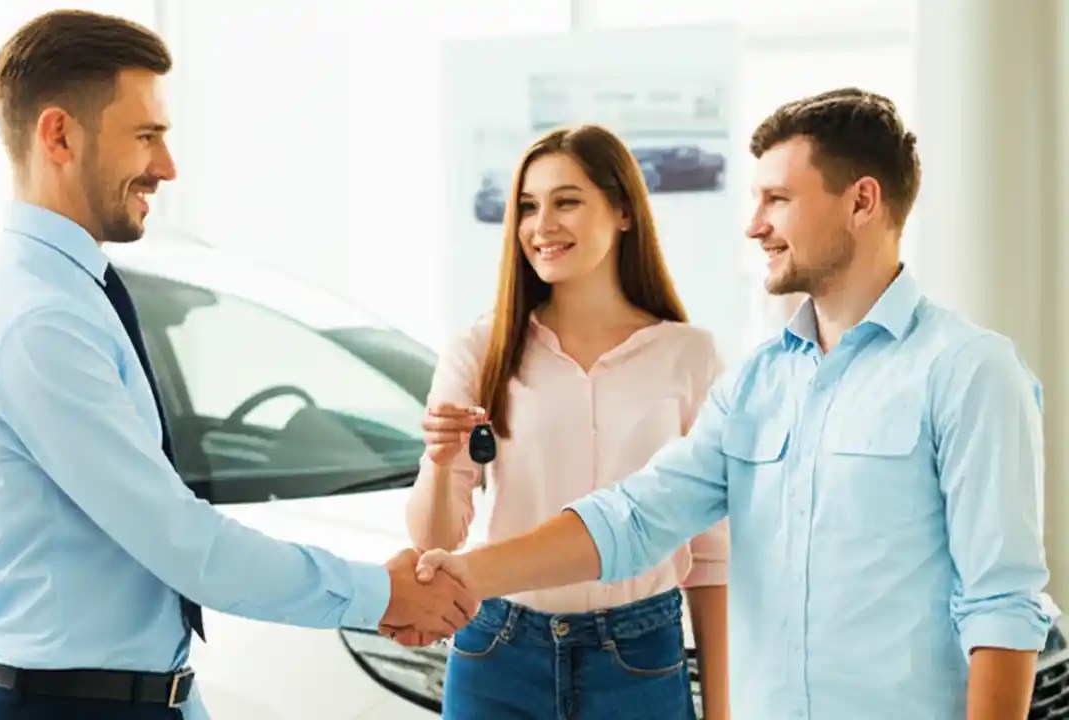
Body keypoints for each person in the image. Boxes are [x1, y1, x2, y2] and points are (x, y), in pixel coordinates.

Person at [412, 88, 1055, 719]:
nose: (755, 225)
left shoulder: (969, 371)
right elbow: (633, 519)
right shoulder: (755, 384)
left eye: (777, 199)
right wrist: (466, 575)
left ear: (862, 201)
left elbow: (1000, 601)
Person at [0, 11, 474, 720]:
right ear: (59, 135)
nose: (166, 167)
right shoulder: (40, 322)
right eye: (146, 136)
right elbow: (181, 542)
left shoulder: (66, 293)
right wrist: (383, 594)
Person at [406, 124, 729, 719]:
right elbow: (434, 545)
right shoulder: (482, 348)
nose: (541, 225)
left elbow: (711, 559)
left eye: (567, 201)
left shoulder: (690, 355)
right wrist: (438, 460)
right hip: (498, 652)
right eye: (528, 207)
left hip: (641, 657)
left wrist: (722, 710)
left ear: (624, 211)